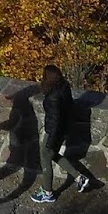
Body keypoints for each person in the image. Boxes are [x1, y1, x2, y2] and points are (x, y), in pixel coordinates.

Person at [30, 63, 98, 202]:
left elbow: (54, 120)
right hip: (64, 128)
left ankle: (47, 192)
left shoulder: (52, 97)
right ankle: (79, 178)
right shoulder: (64, 87)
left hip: (54, 131)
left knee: (45, 157)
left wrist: (50, 141)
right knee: (53, 154)